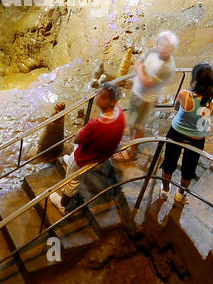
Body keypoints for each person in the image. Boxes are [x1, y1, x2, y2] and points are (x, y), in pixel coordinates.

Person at [51, 83, 125, 214]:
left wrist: (81, 132)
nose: (98, 98)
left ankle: (62, 204)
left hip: (83, 159)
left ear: (112, 101)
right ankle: (70, 165)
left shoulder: (96, 125)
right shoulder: (120, 114)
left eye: (103, 97)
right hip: (101, 156)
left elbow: (78, 139)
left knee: (72, 180)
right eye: (99, 94)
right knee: (75, 152)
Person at [159, 62, 213, 204]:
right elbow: (205, 114)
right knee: (189, 169)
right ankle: (180, 194)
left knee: (169, 164)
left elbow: (176, 107)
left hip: (176, 133)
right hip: (196, 139)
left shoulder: (184, 94)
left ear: (194, 80)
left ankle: (165, 190)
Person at [116, 31, 180, 160]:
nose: (161, 49)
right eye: (161, 45)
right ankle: (131, 142)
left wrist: (141, 70)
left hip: (146, 98)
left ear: (172, 49)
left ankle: (132, 152)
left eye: (166, 47)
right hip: (136, 91)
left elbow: (146, 82)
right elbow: (138, 63)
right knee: (133, 121)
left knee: (138, 124)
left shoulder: (167, 67)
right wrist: (141, 71)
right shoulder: (153, 51)